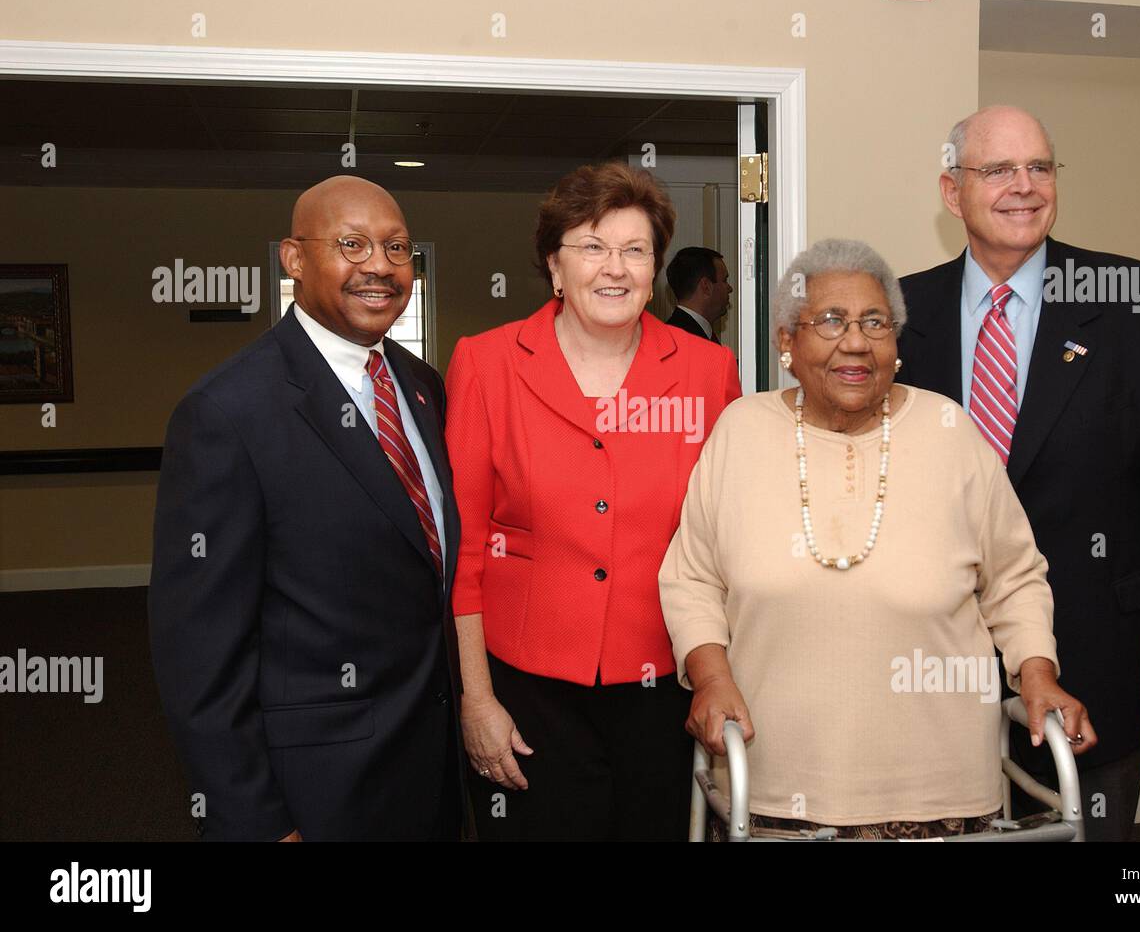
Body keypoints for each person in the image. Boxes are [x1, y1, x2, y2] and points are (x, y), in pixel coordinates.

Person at [660, 238, 1095, 840]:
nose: (857, 342)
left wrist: (1038, 674)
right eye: (832, 321)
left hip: (940, 785)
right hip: (777, 775)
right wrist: (710, 678)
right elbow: (693, 577)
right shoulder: (741, 431)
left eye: (876, 323)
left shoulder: (948, 430)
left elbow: (1015, 575)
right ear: (787, 340)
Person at [897, 106, 1140, 840]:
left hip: (1096, 646)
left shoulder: (1138, 300)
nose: (1024, 185)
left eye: (1039, 167)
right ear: (953, 193)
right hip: (935, 647)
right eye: (998, 170)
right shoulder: (899, 310)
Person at [149, 176, 465, 841]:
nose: (379, 265)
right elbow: (199, 658)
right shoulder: (227, 414)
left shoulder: (422, 387)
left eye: (397, 247)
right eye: (351, 244)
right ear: (292, 259)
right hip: (314, 794)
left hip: (426, 772)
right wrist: (258, 822)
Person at [446, 162, 742, 840]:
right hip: (526, 691)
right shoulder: (487, 364)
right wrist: (476, 698)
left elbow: (726, 535)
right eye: (592, 247)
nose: (615, 268)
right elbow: (462, 551)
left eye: (635, 250)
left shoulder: (706, 370)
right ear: (555, 265)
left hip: (663, 685)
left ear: (655, 268)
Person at [664, 246, 732, 342]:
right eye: (725, 280)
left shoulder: (672, 335)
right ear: (706, 286)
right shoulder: (682, 341)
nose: (730, 288)